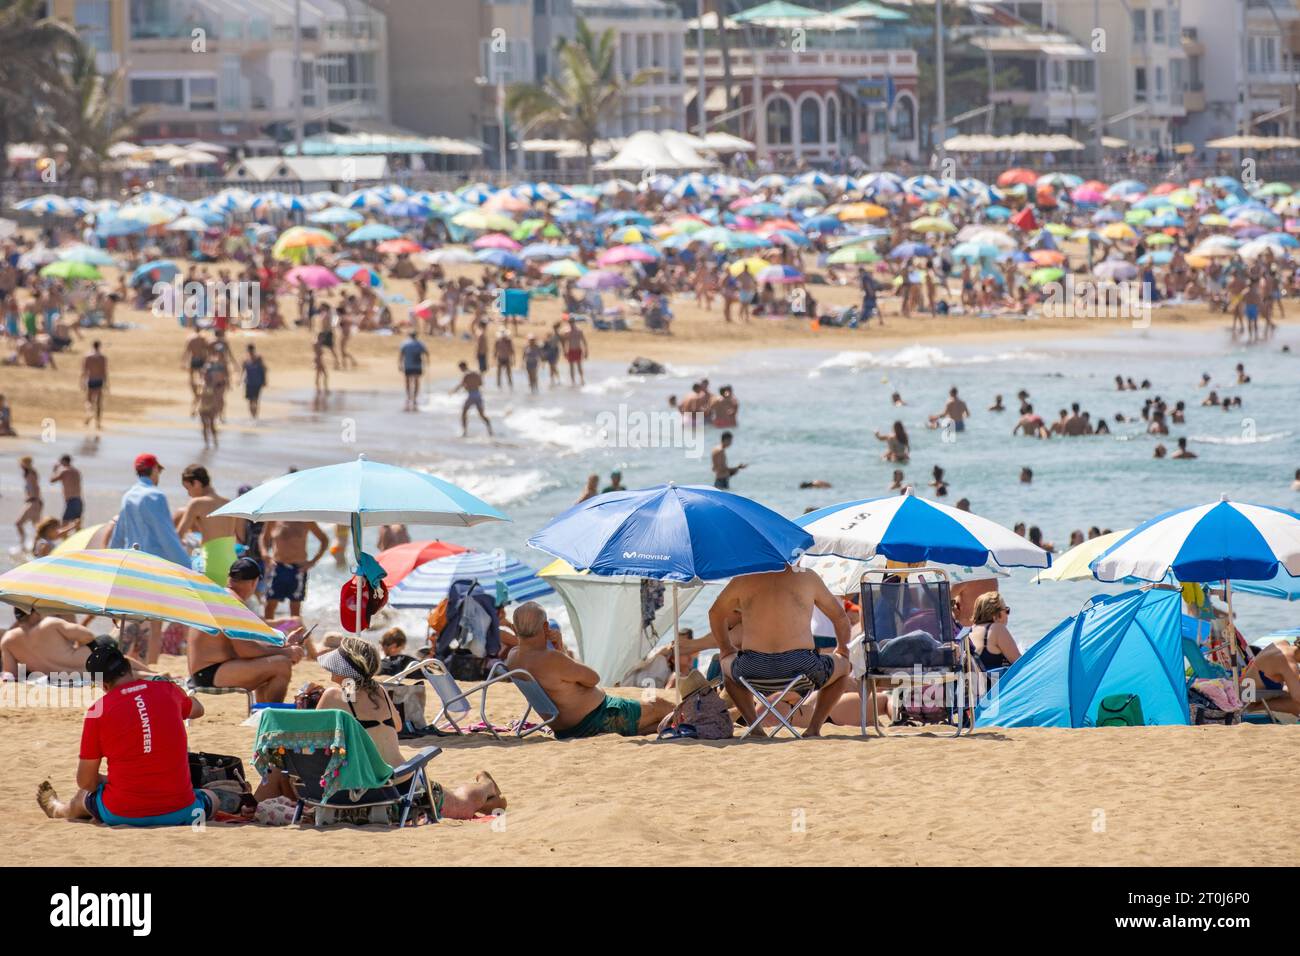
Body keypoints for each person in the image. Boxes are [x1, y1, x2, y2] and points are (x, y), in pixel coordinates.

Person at [266, 637, 506, 818]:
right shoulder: (378, 691)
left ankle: (486, 786)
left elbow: (317, 740)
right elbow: (398, 725)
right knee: (459, 803)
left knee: (463, 804)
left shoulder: (333, 695)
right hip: (399, 780)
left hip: (371, 787)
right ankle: (487, 798)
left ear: (344, 668)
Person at [37, 643, 236, 827]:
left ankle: (58, 809)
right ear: (129, 669)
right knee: (212, 797)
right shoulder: (166, 690)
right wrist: (171, 687)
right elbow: (198, 710)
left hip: (122, 812)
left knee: (83, 796)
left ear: (103, 684)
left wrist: (109, 780)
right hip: (180, 811)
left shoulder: (98, 711)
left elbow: (86, 781)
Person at [710, 566, 851, 737]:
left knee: (728, 666)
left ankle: (755, 727)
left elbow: (715, 613)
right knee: (844, 667)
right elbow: (840, 616)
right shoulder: (807, 577)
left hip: (753, 670)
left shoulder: (744, 578)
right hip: (802, 669)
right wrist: (842, 649)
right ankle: (813, 728)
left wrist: (725, 648)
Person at [507, 601, 673, 738]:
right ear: (545, 627)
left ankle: (680, 725)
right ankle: (695, 719)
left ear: (514, 629)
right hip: (598, 717)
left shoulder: (513, 658)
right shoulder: (552, 659)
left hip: (567, 729)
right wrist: (560, 651)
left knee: (655, 724)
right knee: (657, 704)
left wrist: (558, 651)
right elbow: (593, 679)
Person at [187, 558, 305, 703]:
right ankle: (270, 715)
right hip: (209, 673)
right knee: (281, 664)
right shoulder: (233, 602)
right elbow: (246, 650)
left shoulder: (219, 595)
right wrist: (287, 652)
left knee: (270, 662)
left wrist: (283, 645)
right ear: (254, 582)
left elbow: (251, 645)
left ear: (229, 578)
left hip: (203, 672)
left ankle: (261, 712)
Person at [110, 454, 189, 662]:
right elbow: (167, 536)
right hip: (152, 568)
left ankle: (123, 665)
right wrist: (188, 568)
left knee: (130, 620)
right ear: (154, 470)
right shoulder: (155, 496)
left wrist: (110, 562)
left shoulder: (128, 495)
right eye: (159, 471)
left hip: (130, 565)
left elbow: (120, 533)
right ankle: (149, 669)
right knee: (154, 625)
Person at [175, 464, 243, 584]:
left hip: (211, 563)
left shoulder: (196, 503)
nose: (189, 494)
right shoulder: (228, 503)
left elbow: (178, 536)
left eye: (188, 488)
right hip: (232, 563)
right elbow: (240, 537)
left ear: (196, 483)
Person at [1, 608, 101, 679]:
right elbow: (88, 635)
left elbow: (10, 674)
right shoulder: (49, 623)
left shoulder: (8, 639)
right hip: (86, 670)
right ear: (34, 613)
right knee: (104, 639)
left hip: (55, 678)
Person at [260, 519, 329, 619]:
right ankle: (269, 633)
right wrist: (265, 554)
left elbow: (324, 539)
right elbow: (264, 537)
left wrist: (313, 561)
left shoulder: (305, 519)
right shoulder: (275, 518)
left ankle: (295, 633)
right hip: (278, 567)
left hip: (298, 569)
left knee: (295, 609)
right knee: (270, 605)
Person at [1242, 635, 1300, 716]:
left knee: (1290, 691)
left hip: (1248, 692)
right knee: (1298, 706)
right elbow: (1298, 697)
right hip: (1249, 703)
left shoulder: (1282, 643)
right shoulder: (1289, 663)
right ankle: (1255, 711)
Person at [967, 592, 1020, 670]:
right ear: (996, 615)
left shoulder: (970, 631)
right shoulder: (997, 629)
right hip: (998, 681)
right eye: (1006, 610)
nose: (1007, 614)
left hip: (980, 681)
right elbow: (1019, 662)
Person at [451, 361, 493, 437]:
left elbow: (461, 385)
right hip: (478, 394)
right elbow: (481, 384)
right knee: (482, 415)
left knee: (464, 413)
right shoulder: (476, 373)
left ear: (462, 367)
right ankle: (490, 431)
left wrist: (453, 391)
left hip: (471, 395)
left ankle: (464, 432)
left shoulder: (466, 375)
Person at [50, 454, 83, 534]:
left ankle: (65, 544)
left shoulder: (64, 471)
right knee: (77, 524)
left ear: (63, 461)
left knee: (64, 524)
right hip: (79, 500)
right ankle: (81, 544)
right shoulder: (76, 471)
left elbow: (52, 480)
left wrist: (55, 469)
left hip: (71, 501)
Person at [15, 455, 42, 552]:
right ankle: (34, 548)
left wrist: (33, 499)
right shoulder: (29, 474)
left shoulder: (31, 474)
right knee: (37, 527)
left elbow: (36, 488)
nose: (20, 465)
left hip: (33, 502)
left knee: (18, 523)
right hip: (34, 502)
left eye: (21, 463)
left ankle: (24, 545)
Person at [80, 339, 108, 429]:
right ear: (99, 346)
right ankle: (98, 423)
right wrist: (106, 383)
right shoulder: (103, 358)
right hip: (99, 380)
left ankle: (89, 412)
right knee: (99, 402)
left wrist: (82, 382)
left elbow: (84, 371)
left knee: (89, 401)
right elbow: (104, 372)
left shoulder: (88, 357)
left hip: (91, 380)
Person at [399, 330, 427, 412]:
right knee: (416, 381)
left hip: (408, 365)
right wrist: (427, 363)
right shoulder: (420, 344)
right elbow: (426, 353)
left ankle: (408, 397)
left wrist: (400, 364)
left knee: (408, 381)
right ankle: (414, 398)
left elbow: (401, 354)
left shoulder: (405, 344)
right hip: (417, 365)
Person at [240, 344, 267, 420]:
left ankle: (254, 416)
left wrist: (264, 380)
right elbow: (242, 371)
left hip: (257, 382)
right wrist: (240, 380)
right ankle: (252, 416)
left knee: (255, 400)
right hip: (249, 382)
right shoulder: (245, 360)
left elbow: (264, 369)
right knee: (250, 400)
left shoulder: (259, 358)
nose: (250, 352)